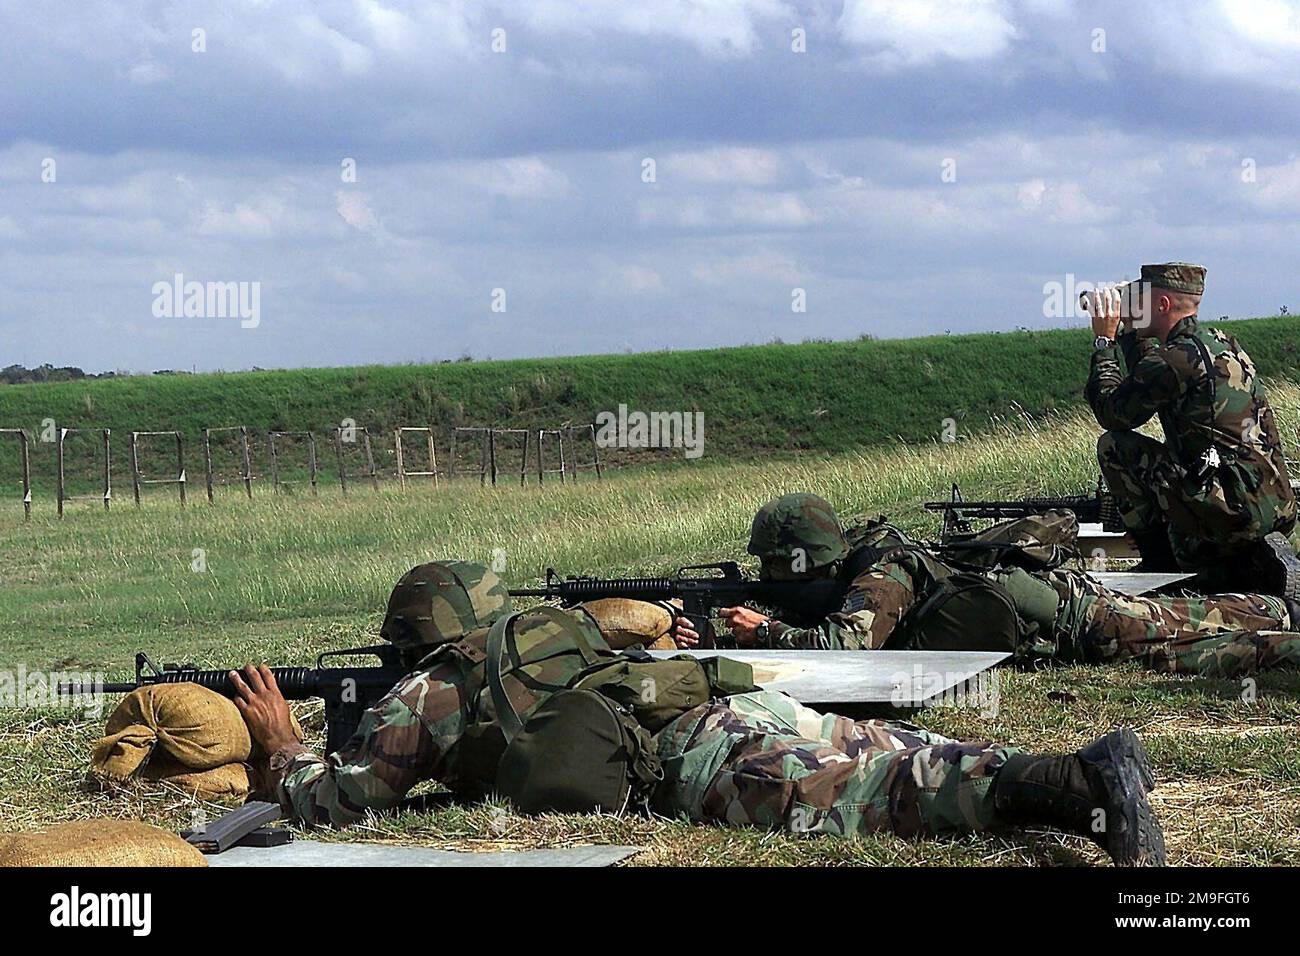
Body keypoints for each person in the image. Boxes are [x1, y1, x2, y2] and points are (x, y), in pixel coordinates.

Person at [230, 560, 1166, 865]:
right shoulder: (546, 634)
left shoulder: (433, 688)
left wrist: (283, 751)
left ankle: (1080, 785)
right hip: (718, 697)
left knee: (873, 793)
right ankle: (1077, 768)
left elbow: (339, 804)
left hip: (686, 751)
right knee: (887, 745)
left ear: (412, 642)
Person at [671, 493, 1300, 677]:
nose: (766, 580)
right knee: (1184, 625)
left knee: (1190, 634)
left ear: (804, 562)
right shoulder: (861, 569)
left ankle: (1282, 612)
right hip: (1055, 610)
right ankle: (1279, 610)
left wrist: (771, 631)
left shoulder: (882, 573)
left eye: (775, 568)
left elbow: (847, 648)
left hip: (1073, 620)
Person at [1083, 262, 1299, 598]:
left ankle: (1163, 568)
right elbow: (1151, 376)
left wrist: (1104, 341)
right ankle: (1233, 561)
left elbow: (1113, 412)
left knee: (1114, 446)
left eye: (1140, 299)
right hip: (1273, 505)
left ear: (1162, 305)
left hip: (1231, 512)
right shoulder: (1219, 343)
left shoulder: (1174, 360)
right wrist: (1129, 330)